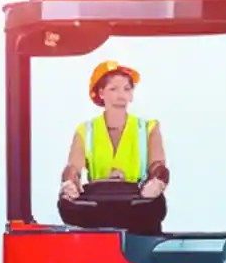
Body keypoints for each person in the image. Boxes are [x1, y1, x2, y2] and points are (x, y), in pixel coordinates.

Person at [58, 60, 170, 234]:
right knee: (67, 204)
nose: (121, 95)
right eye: (114, 89)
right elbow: (73, 167)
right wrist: (70, 183)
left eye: (127, 89)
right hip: (97, 208)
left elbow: (157, 165)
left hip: (138, 205)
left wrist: (158, 181)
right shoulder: (86, 130)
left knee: (154, 207)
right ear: (101, 93)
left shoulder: (148, 128)